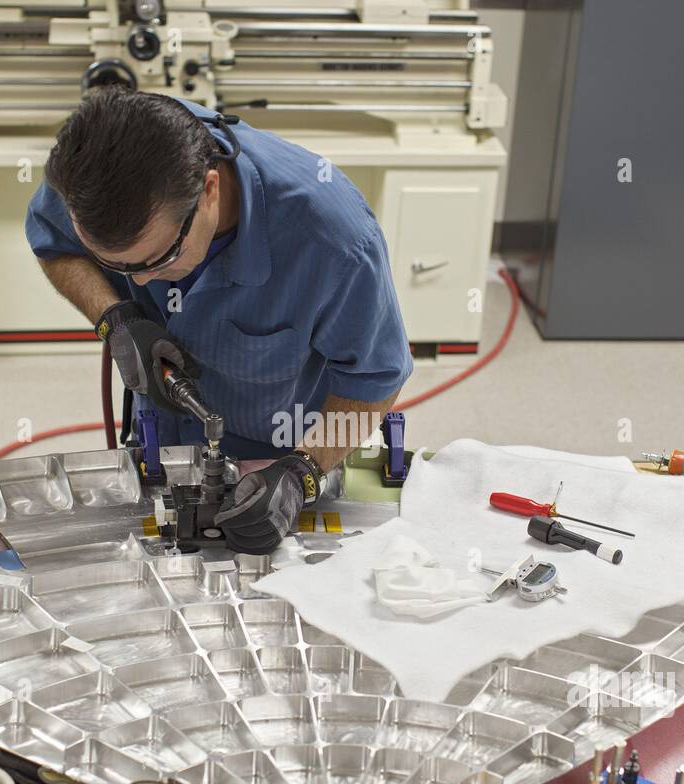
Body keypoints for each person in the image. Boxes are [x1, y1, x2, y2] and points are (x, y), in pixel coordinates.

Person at [25, 87, 413, 554]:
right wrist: (116, 316)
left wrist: (302, 473)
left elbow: (374, 379)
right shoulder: (96, 170)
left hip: (279, 446)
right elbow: (54, 245)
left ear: (210, 190)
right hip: (159, 432)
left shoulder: (333, 241)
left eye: (159, 258)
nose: (143, 280)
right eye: (120, 266)